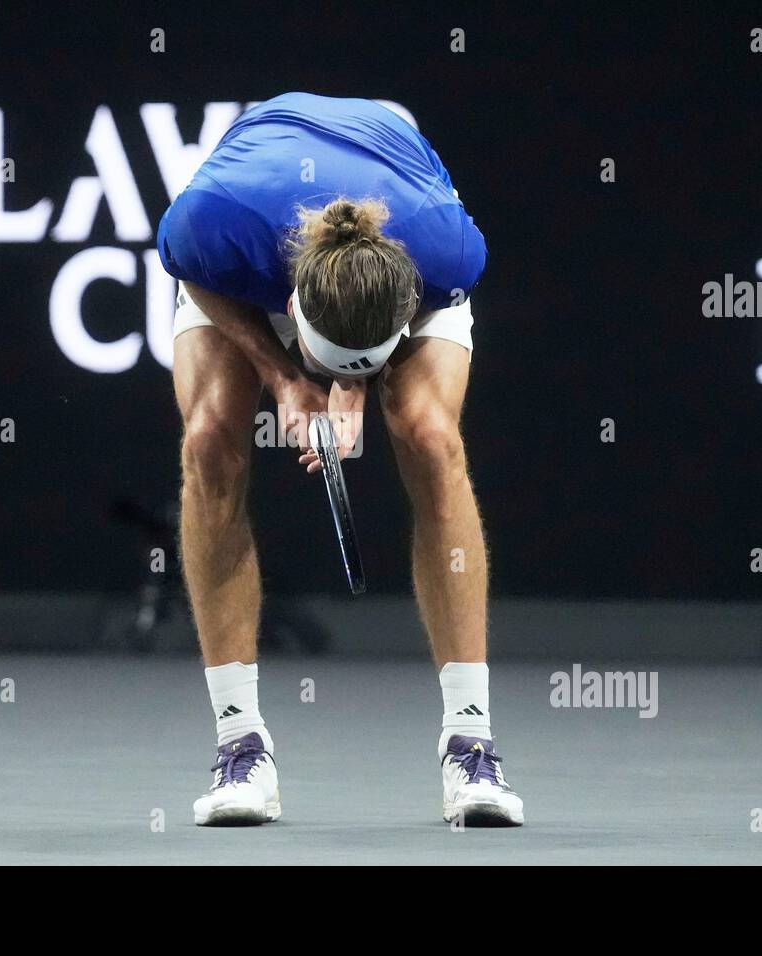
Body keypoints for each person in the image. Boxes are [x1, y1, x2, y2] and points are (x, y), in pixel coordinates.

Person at [157, 92, 523, 826]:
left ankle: (471, 743)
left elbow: (395, 343)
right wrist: (285, 378)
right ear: (291, 311)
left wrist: (354, 386)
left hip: (394, 237)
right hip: (255, 239)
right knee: (209, 443)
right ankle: (240, 749)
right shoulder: (214, 221)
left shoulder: (445, 251)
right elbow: (190, 273)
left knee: (429, 436)